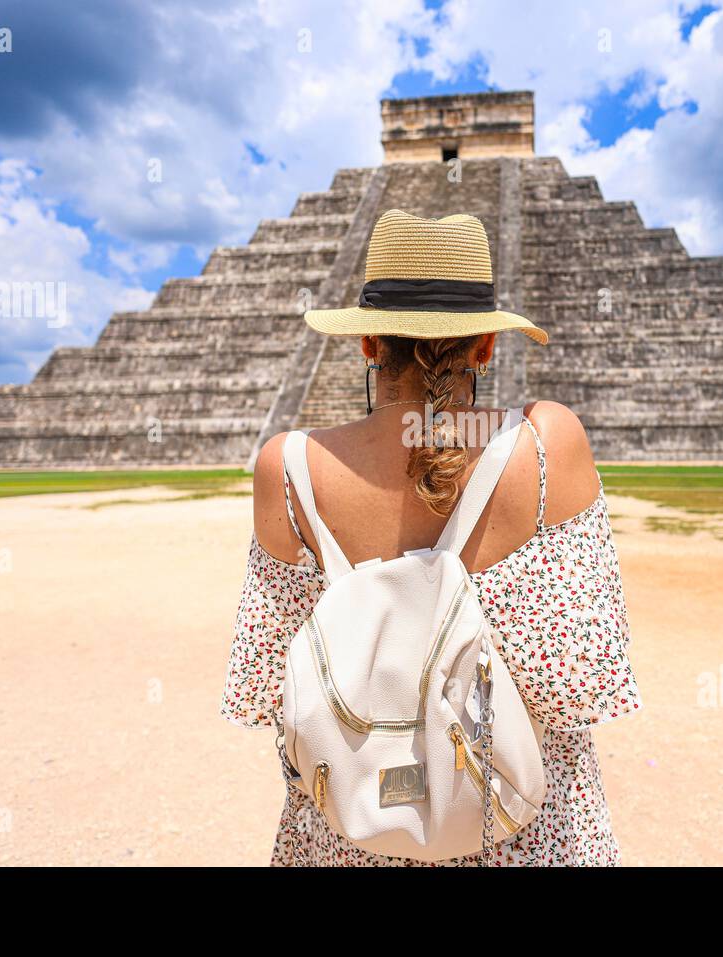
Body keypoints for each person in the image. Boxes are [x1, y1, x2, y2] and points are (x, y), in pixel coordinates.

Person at [221, 209, 642, 865]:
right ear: (486, 346)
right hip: (521, 830)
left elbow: (268, 694)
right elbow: (577, 687)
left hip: (355, 832)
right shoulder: (545, 443)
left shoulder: (289, 467)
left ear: (367, 344)